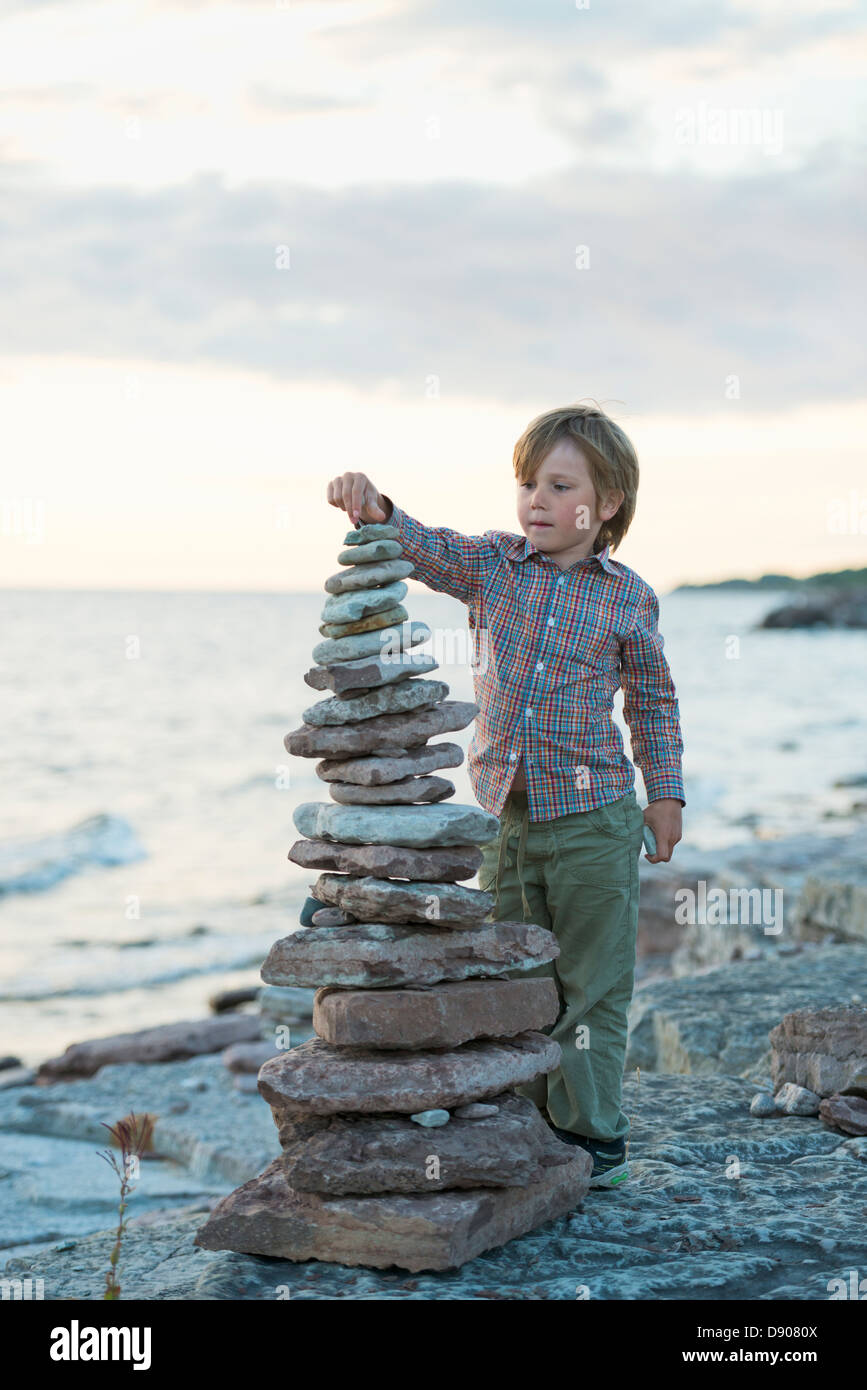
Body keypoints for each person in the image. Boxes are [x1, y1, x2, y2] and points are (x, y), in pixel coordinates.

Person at [325, 401, 685, 1189]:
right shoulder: (492, 564)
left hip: (593, 821)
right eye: (528, 483)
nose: (536, 501)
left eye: (559, 486)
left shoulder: (627, 597)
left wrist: (666, 796)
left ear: (608, 504)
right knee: (515, 982)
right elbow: (424, 547)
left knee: (591, 986)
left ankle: (592, 1136)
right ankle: (521, 1123)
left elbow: (651, 703)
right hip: (504, 821)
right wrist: (375, 506)